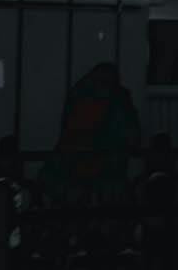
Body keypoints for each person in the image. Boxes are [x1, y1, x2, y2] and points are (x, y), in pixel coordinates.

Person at [41, 57, 144, 197]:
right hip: (84, 171)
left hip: (101, 170)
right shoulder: (88, 101)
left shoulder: (117, 103)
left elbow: (132, 138)